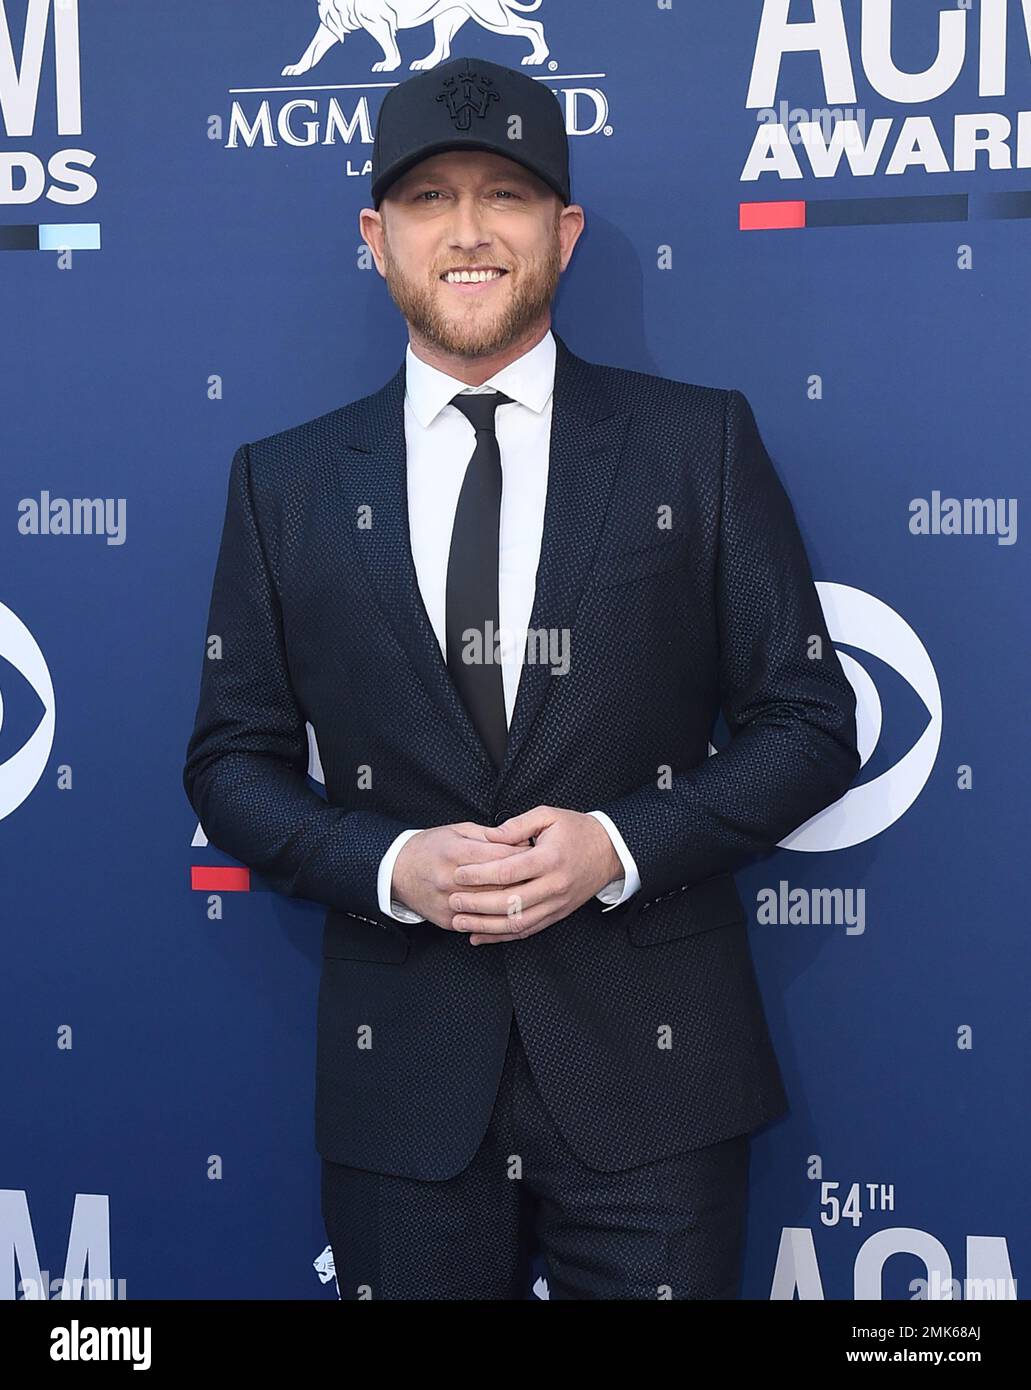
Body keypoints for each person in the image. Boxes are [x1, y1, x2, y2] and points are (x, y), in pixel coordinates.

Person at [182, 55, 861, 1300]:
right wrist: (392, 866)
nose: (470, 231)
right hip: (406, 1095)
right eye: (432, 198)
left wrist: (617, 841)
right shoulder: (281, 485)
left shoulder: (694, 442)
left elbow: (809, 720)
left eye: (505, 192)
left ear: (564, 229)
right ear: (376, 240)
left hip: (654, 1088)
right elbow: (231, 762)